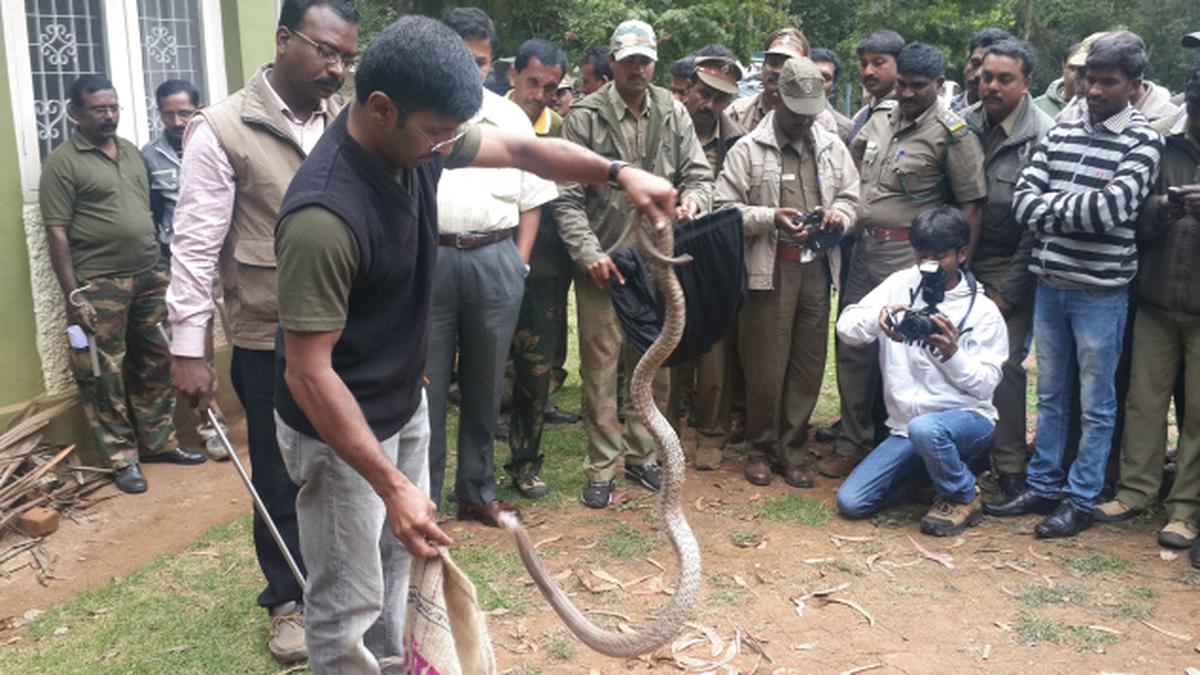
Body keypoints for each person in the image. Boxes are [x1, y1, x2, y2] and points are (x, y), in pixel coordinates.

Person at [271, 16, 676, 671]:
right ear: (381, 110)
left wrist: (619, 172)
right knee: (345, 608)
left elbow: (523, 153)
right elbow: (308, 374)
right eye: (436, 132)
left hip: (403, 405)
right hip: (339, 434)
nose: (447, 147)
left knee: (398, 577)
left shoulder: (415, 142)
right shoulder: (324, 215)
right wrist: (392, 483)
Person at [167, 0, 360, 663]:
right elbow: (193, 249)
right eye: (325, 51)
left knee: (343, 461)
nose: (336, 68)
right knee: (279, 475)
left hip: (345, 332)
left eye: (346, 57)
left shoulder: (348, 119)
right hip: (265, 335)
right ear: (283, 39)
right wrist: (188, 348)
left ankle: (342, 584)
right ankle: (288, 600)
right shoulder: (220, 129)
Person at [986, 32, 1164, 539]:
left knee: (1096, 401)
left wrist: (1054, 206)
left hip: (1100, 293)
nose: (1095, 90)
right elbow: (1024, 201)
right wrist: (1075, 204)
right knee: (1053, 394)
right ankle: (1042, 485)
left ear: (1133, 86)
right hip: (1051, 284)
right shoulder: (1061, 131)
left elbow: (1112, 210)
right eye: (1090, 79)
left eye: (1109, 82)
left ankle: (1081, 497)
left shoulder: (1143, 139)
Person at [554, 19, 713, 508]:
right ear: (612, 63)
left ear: (655, 64)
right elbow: (565, 197)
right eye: (629, 61)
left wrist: (693, 204)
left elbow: (700, 176)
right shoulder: (584, 117)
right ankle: (601, 466)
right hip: (605, 263)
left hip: (657, 264)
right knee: (600, 372)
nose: (638, 69)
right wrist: (588, 254)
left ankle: (642, 456)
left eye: (646, 60)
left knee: (653, 367)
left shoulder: (673, 110)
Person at [825, 42, 987, 481]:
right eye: (903, 85)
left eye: (918, 86)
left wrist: (959, 263)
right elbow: (856, 173)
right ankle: (854, 440)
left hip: (913, 257)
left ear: (938, 83)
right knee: (854, 344)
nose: (908, 93)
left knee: (909, 347)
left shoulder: (953, 133)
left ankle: (906, 442)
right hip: (866, 250)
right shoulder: (879, 118)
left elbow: (971, 204)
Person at [41, 73, 203, 495]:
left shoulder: (131, 153)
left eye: (114, 107)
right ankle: (121, 458)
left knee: (156, 359)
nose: (109, 115)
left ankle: (158, 442)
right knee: (103, 373)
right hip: (99, 283)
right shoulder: (63, 162)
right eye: (99, 108)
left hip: (150, 274)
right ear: (76, 112)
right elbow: (56, 231)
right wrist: (73, 294)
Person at [426, 9, 558, 524]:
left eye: (478, 60)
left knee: (485, 385)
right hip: (430, 260)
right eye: (460, 56)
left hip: (495, 260)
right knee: (427, 386)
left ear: (491, 65)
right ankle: (425, 496)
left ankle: (477, 492)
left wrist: (518, 264)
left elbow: (534, 200)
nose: (470, 68)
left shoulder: (510, 118)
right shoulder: (418, 116)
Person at [716, 57, 860, 487]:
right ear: (777, 98)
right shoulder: (747, 148)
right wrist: (769, 217)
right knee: (765, 368)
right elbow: (723, 211)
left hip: (817, 272)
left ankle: (793, 449)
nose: (803, 122)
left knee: (807, 366)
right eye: (796, 112)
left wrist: (838, 216)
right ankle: (760, 450)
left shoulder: (832, 146)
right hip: (769, 273)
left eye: (810, 113)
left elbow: (854, 199)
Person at [835, 207, 1007, 534]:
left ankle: (963, 494)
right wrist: (879, 318)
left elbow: (985, 387)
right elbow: (846, 327)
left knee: (928, 429)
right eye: (921, 255)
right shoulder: (901, 284)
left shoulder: (982, 311)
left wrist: (952, 353)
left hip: (966, 419)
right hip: (905, 428)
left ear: (962, 253)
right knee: (852, 501)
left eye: (939, 256)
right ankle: (923, 475)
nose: (929, 265)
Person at [1093, 62, 1200, 552]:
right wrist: (1161, 208)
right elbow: (1131, 216)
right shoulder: (1162, 141)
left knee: (1197, 413)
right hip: (1157, 298)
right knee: (1143, 403)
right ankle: (1136, 491)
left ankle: (1185, 510)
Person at [961, 39, 1054, 498]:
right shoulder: (963, 123)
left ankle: (1011, 467)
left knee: (1005, 363)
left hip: (1013, 264)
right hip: (960, 259)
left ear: (1027, 82)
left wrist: (1007, 294)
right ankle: (961, 457)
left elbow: (1035, 231)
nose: (990, 86)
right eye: (985, 77)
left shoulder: (1044, 135)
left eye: (1004, 79)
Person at [669, 54, 747, 469]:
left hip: (715, 255)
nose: (708, 104)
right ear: (689, 86)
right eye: (703, 92)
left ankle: (711, 436)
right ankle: (667, 433)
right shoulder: (667, 128)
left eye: (719, 99)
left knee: (715, 346)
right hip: (670, 248)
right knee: (671, 341)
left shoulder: (739, 139)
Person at [504, 37, 573, 499]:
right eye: (533, 82)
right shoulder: (484, 117)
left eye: (550, 87)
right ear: (513, 76)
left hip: (544, 270)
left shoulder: (562, 130)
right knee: (480, 367)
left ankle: (524, 463)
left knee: (535, 369)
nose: (540, 95)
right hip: (483, 256)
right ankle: (470, 469)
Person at [1056, 32, 1179, 125]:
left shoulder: (1168, 121)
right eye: (1088, 76)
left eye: (1107, 80)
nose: (1093, 89)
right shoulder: (1071, 115)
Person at [142, 79, 199, 260]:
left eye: (184, 113)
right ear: (159, 114)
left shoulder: (218, 148)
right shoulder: (149, 155)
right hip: (174, 253)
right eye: (168, 114)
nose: (177, 122)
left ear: (199, 110)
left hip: (217, 250)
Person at [728, 28, 810, 132]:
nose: (778, 71)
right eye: (773, 63)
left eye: (787, 67)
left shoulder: (813, 119)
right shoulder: (737, 113)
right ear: (762, 67)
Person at [848, 30, 905, 141]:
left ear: (900, 64)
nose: (868, 71)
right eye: (864, 64)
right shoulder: (861, 117)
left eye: (878, 63)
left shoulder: (909, 114)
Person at [949, 28, 1013, 112]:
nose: (978, 74)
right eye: (975, 64)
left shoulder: (1013, 118)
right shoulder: (947, 109)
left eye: (988, 69)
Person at [811, 47, 854, 143]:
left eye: (825, 78)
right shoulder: (782, 117)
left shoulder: (845, 129)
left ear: (833, 85)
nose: (818, 82)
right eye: (812, 75)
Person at [1033, 42, 1082, 117]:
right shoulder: (1037, 108)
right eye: (1073, 68)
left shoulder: (1100, 111)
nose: (1078, 75)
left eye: (1084, 69)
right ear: (1063, 66)